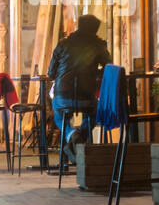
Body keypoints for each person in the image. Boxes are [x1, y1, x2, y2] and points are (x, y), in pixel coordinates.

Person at [47, 14, 111, 165]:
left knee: (58, 114)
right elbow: (109, 67)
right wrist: (96, 75)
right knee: (95, 112)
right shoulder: (98, 45)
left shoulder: (63, 44)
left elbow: (51, 73)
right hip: (86, 96)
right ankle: (80, 141)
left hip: (62, 96)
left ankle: (72, 135)